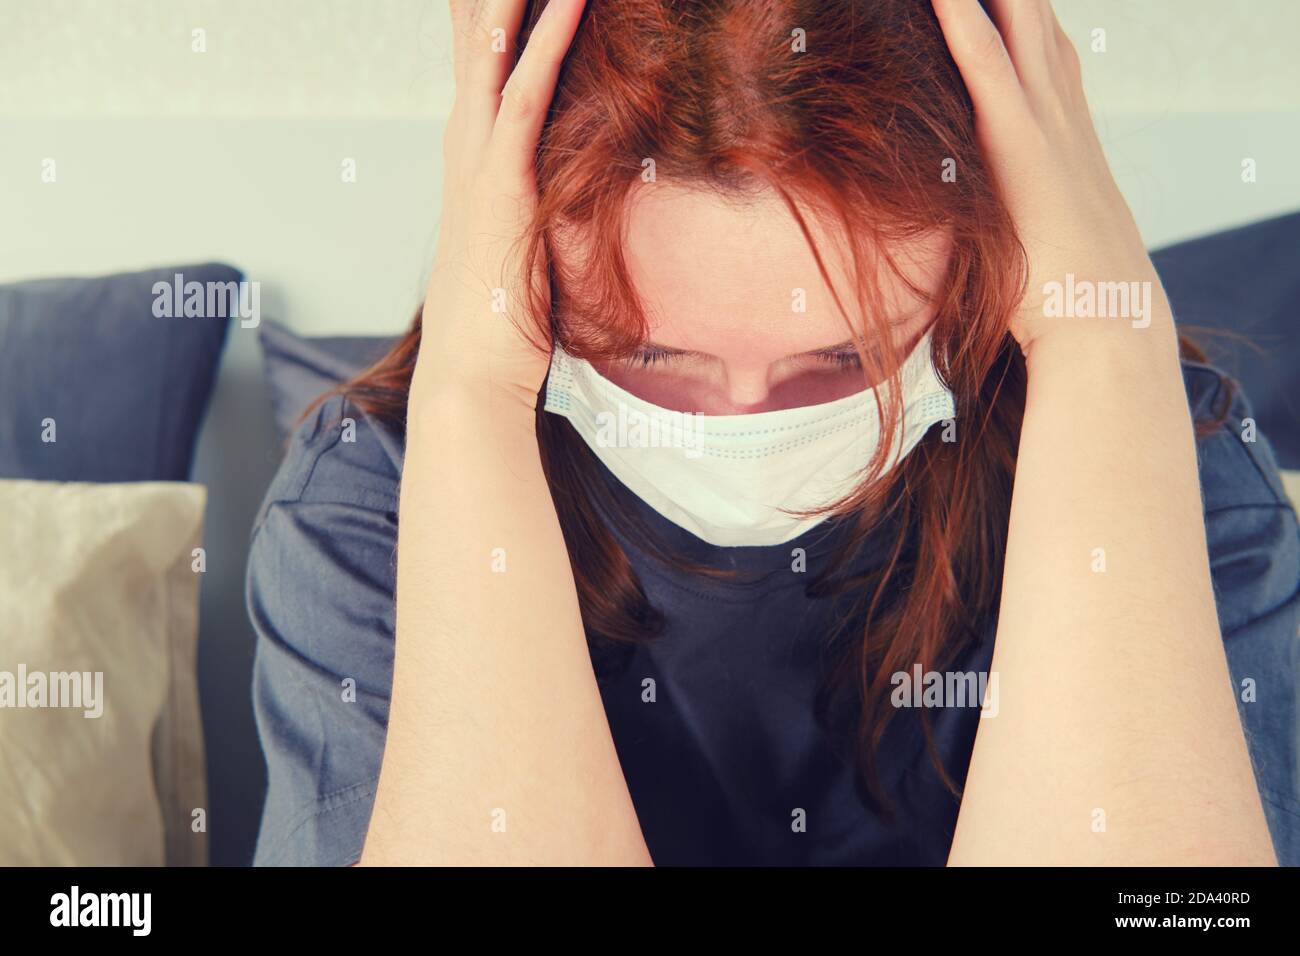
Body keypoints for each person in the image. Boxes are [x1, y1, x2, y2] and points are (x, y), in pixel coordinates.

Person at [247, 0, 1299, 866]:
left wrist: (1101, 345)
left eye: (844, 359)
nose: (744, 425)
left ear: (977, 272)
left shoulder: (1171, 462)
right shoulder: (368, 503)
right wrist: (469, 397)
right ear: (519, 279)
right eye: (649, 358)